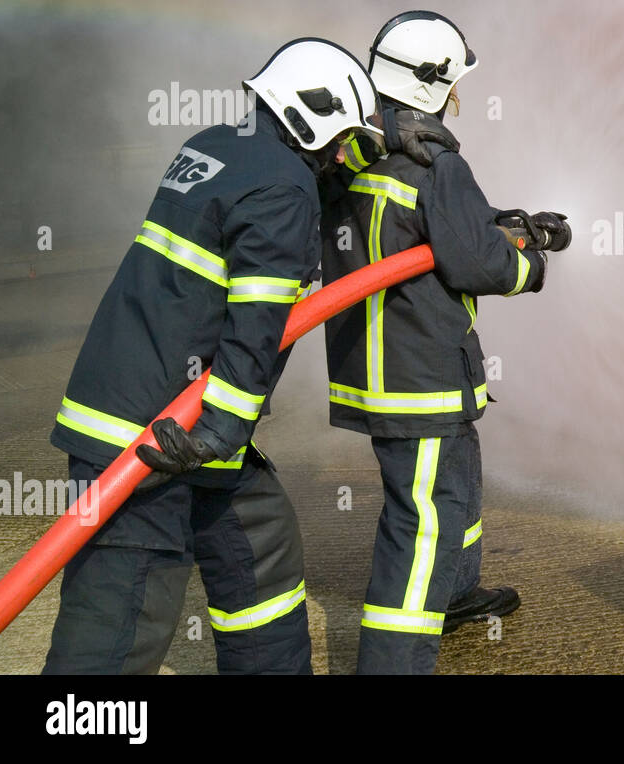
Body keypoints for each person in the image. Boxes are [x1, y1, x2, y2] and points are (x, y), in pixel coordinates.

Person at [44, 38, 384, 674]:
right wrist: (221, 430)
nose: (346, 159)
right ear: (310, 115)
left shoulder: (219, 146)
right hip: (153, 437)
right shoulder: (286, 190)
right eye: (346, 142)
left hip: (157, 412)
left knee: (260, 541)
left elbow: (269, 207)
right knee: (120, 621)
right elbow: (256, 327)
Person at [322, 10, 571, 673]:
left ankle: (455, 593)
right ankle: (394, 659)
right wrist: (530, 262)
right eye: (454, 80)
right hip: (422, 375)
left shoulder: (354, 151)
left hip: (377, 369)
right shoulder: (437, 165)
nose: (459, 93)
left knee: (453, 485)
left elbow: (434, 232)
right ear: (431, 83)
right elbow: (476, 264)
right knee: (424, 522)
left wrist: (504, 223)